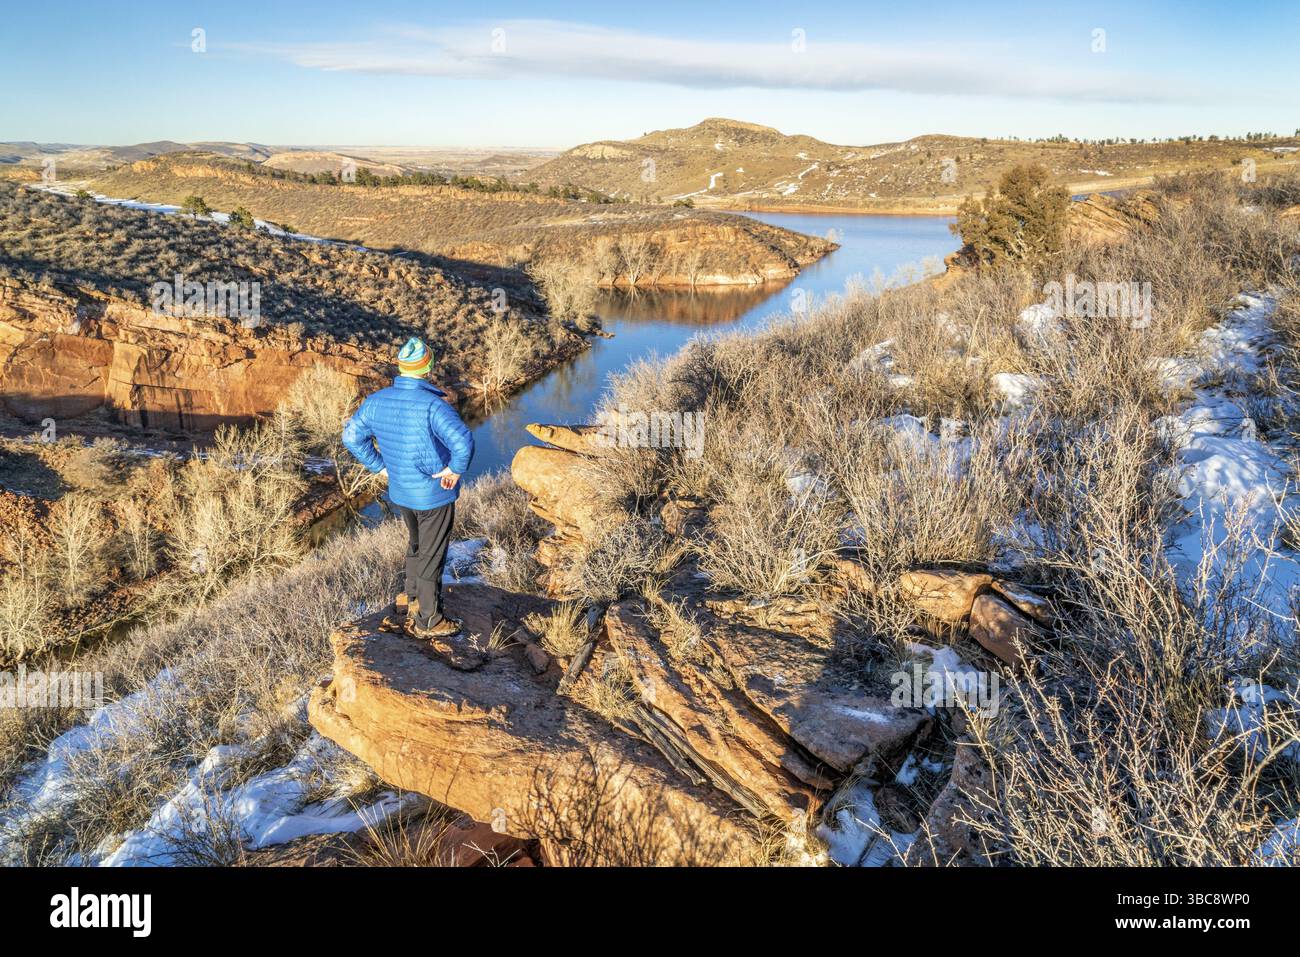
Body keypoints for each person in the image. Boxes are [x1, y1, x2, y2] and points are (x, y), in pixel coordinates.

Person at [342, 337, 475, 645]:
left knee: (416, 544)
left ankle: (410, 598)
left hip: (401, 491)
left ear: (401, 368)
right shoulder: (432, 405)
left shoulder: (376, 401)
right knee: (432, 553)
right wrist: (454, 470)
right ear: (427, 367)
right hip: (433, 493)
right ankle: (428, 619)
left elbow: (351, 437)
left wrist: (379, 466)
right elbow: (463, 442)